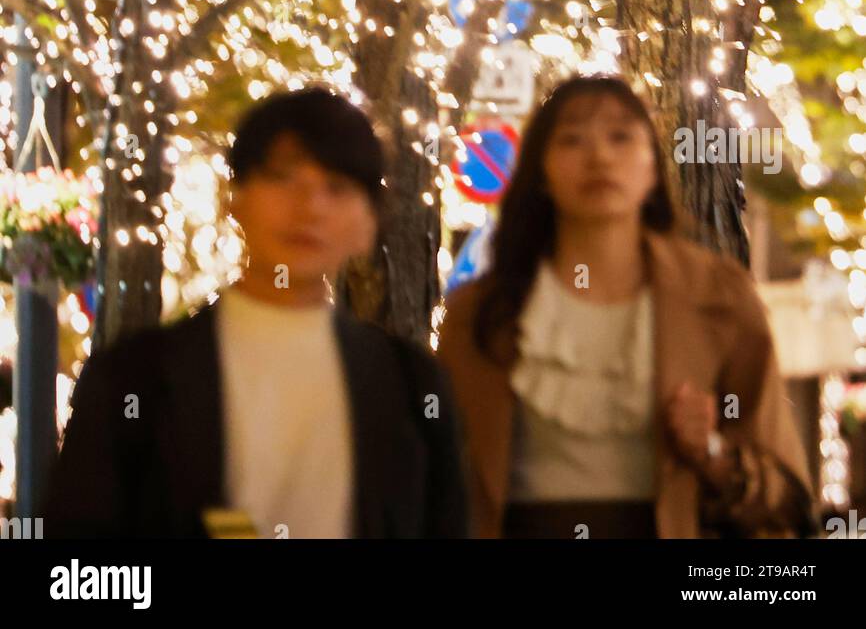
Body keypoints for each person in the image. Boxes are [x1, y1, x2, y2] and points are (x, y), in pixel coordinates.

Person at [44, 87, 468, 539]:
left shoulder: (411, 385)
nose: (310, 206)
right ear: (236, 199)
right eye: (284, 177)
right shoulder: (135, 377)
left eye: (337, 187)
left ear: (368, 226)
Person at [437, 74, 816, 539]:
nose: (599, 155)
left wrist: (710, 449)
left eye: (620, 136)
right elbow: (440, 482)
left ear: (651, 167)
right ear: (541, 172)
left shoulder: (718, 297)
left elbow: (787, 501)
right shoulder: (482, 312)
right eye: (572, 139)